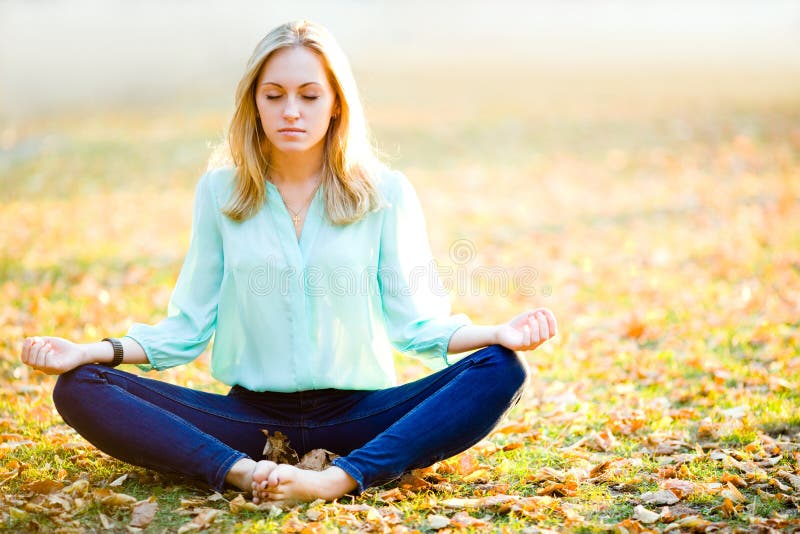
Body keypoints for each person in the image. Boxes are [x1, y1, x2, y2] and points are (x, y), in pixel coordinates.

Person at [19, 20, 557, 506]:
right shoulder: (220, 194)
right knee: (79, 386)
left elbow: (416, 324)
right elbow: (185, 329)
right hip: (246, 419)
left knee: (501, 367)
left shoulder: (384, 193)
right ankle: (240, 473)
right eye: (273, 95)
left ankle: (338, 478)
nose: (291, 111)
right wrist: (90, 351)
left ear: (336, 104)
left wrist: (497, 332)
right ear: (254, 102)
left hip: (359, 416)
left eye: (308, 95)